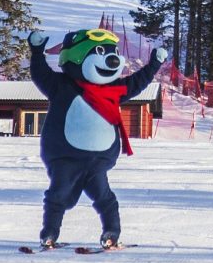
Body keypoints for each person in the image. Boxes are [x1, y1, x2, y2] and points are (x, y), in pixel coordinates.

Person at [26, 26, 165, 250]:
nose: (111, 59)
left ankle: (111, 233)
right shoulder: (63, 86)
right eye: (100, 51)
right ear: (78, 57)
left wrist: (154, 65)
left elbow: (138, 82)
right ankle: (49, 234)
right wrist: (37, 51)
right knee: (58, 196)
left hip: (97, 162)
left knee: (105, 199)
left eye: (112, 51)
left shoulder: (114, 89)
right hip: (66, 159)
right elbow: (40, 74)